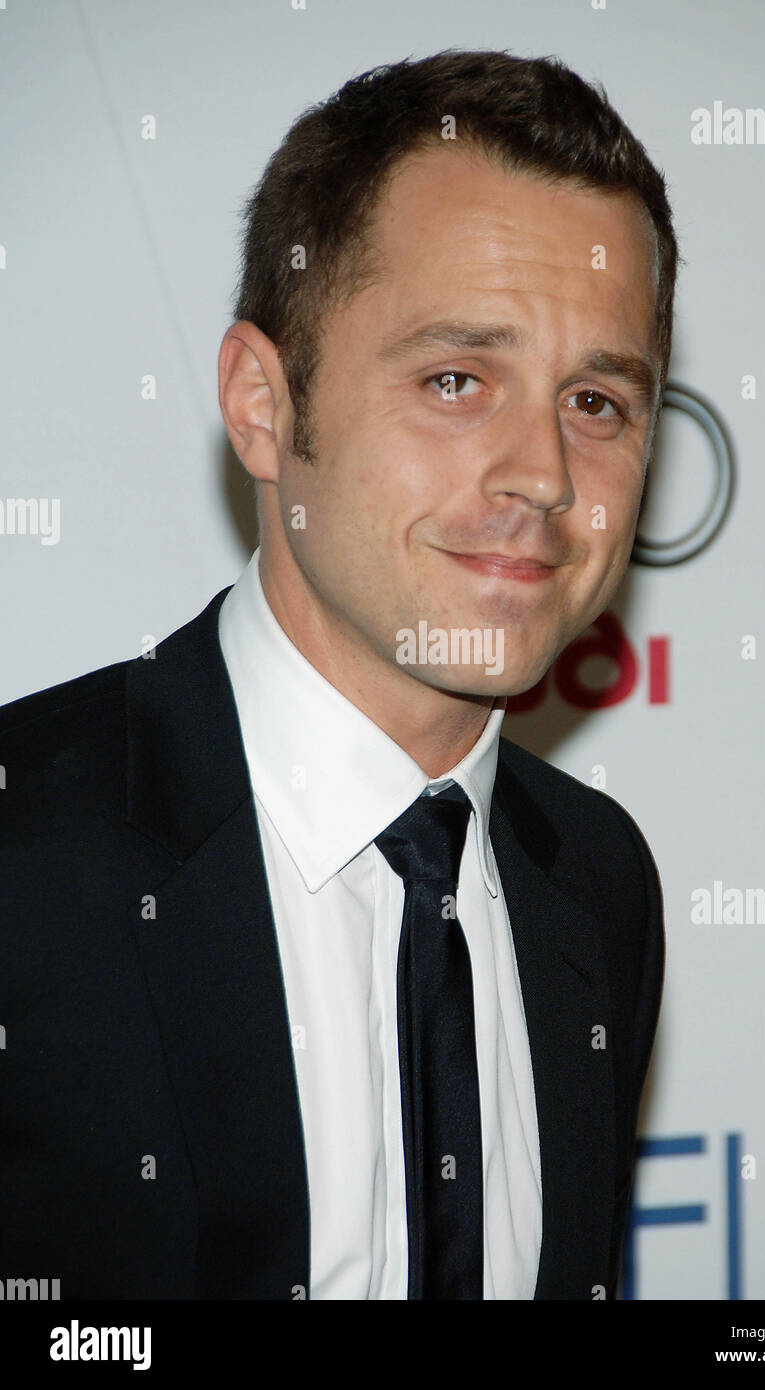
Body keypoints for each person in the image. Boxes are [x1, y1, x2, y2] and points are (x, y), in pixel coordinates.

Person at [0, 49, 675, 1300]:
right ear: (264, 404)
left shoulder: (597, 885)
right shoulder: (24, 851)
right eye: (457, 380)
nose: (544, 474)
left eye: (597, 401)